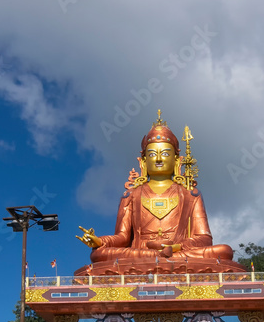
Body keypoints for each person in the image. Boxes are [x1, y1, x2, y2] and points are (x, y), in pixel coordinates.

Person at [75, 112, 245, 275]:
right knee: (98, 254)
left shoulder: (190, 194)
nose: (158, 159)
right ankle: (157, 258)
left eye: (164, 154)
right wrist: (100, 241)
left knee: (224, 251)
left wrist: (177, 247)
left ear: (176, 160)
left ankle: (160, 258)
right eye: (152, 154)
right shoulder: (132, 195)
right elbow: (122, 237)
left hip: (177, 252)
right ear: (143, 161)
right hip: (141, 253)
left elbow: (204, 238)